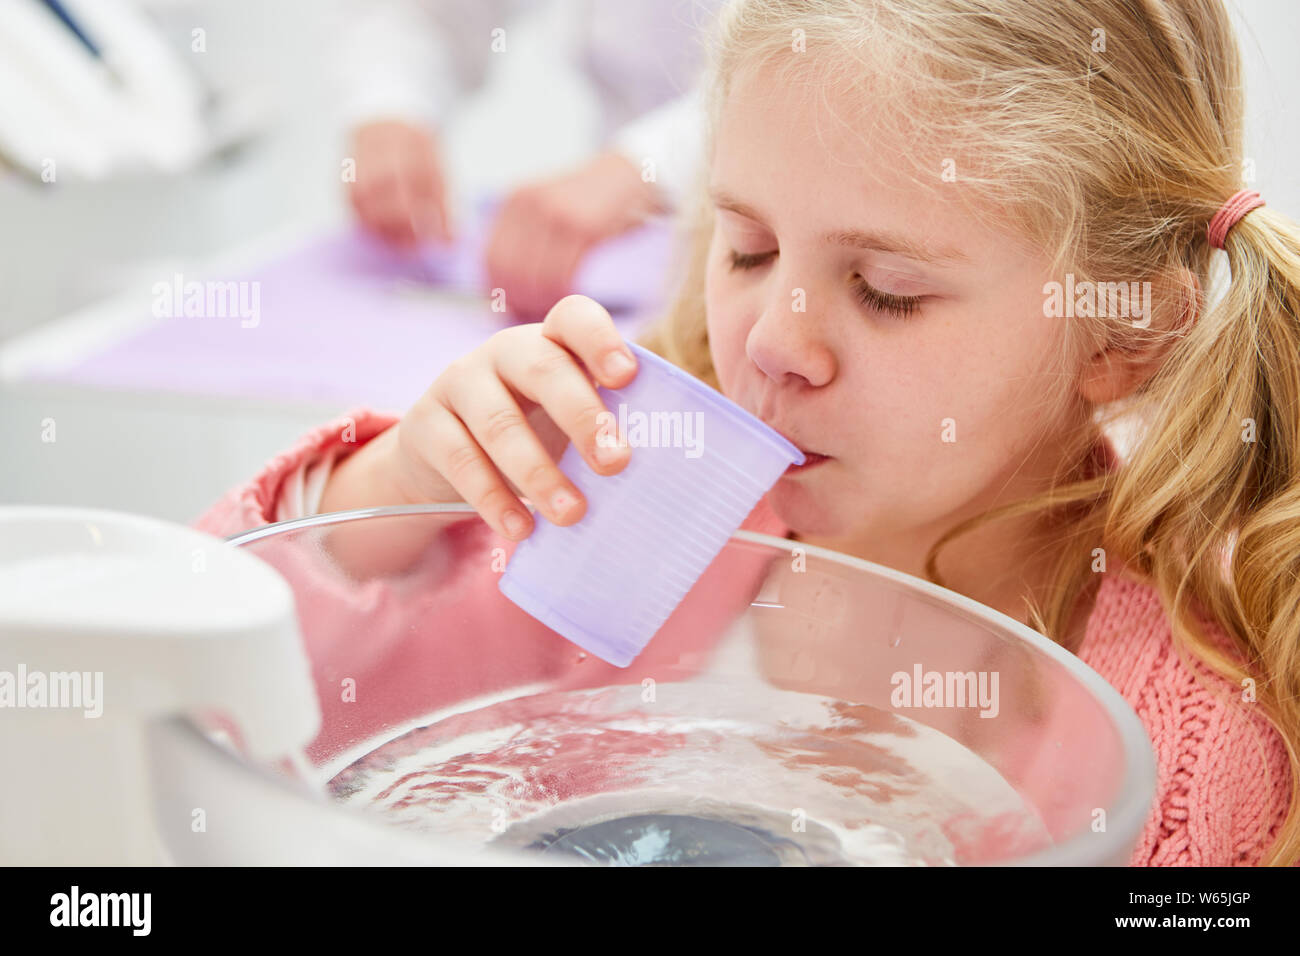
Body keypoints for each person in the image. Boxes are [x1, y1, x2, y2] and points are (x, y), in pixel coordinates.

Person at [199, 0, 1300, 865]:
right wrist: (388, 494)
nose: (775, 340)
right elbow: (215, 700)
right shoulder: (631, 523)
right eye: (749, 249)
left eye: (884, 290)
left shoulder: (1195, 748)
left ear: (1122, 332)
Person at [339, 0, 715, 319]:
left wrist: (656, 161)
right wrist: (392, 100)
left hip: (723, 191)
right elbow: (431, 17)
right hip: (630, 262)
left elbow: (771, 39)